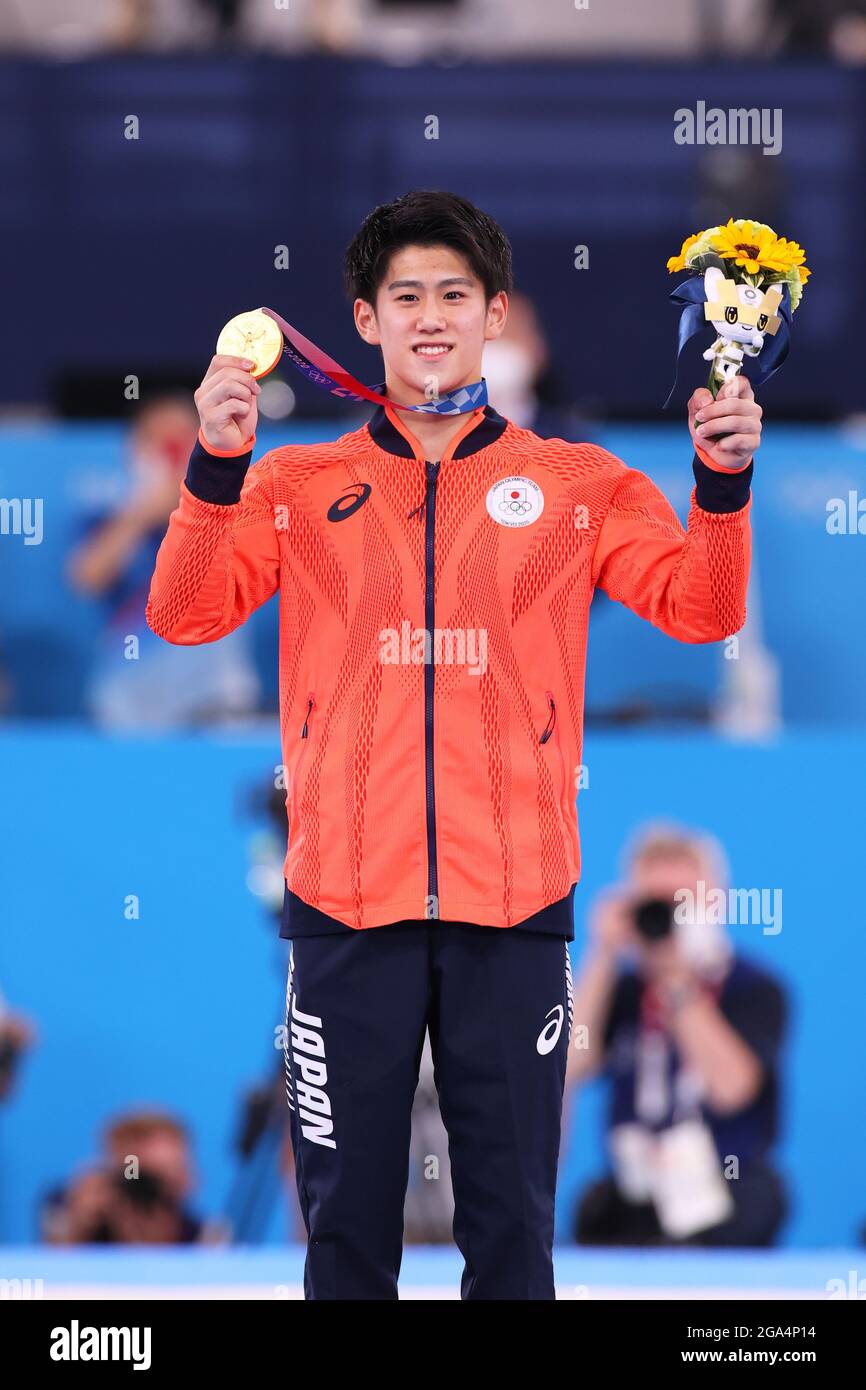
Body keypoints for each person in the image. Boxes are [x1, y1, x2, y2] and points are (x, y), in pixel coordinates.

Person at [146, 189, 762, 1299]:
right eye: (405, 297)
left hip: (514, 908)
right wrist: (217, 465)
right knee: (343, 1235)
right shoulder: (296, 484)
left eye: (453, 295)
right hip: (343, 905)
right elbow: (184, 614)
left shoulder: (580, 486)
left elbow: (702, 609)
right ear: (366, 319)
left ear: (495, 313)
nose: (430, 317)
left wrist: (720, 487)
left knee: (512, 1231)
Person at [566, 823, 788, 1246]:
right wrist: (603, 953)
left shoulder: (754, 987)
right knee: (591, 1212)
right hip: (636, 1189)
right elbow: (571, 1064)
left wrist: (678, 983)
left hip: (726, 1184)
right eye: (657, 905)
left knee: (760, 1201)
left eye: (681, 902)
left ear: (715, 901)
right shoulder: (624, 989)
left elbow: (731, 1089)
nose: (667, 920)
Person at [68, 394, 260, 730]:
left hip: (216, 696)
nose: (170, 456)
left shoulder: (234, 509)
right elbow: (87, 578)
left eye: (181, 442)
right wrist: (142, 513)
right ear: (134, 450)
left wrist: (195, 506)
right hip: (131, 693)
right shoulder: (104, 516)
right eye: (159, 442)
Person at [40, 1108, 217, 1245]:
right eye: (133, 1169)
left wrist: (164, 1244)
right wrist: (78, 1226)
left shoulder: (199, 1234)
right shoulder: (69, 1203)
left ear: (187, 1178)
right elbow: (51, 1264)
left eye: (154, 1178)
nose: (141, 1186)